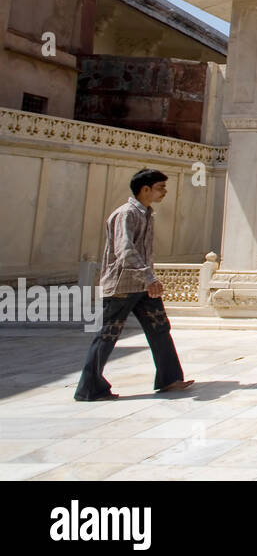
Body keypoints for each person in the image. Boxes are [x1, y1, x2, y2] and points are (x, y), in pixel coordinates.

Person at [74, 169, 194, 401]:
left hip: (142, 286)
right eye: (160, 187)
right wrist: (148, 277)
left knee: (160, 328)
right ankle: (89, 388)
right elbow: (125, 250)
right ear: (145, 189)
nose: (164, 192)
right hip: (122, 286)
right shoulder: (126, 214)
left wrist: (147, 279)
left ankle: (169, 379)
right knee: (108, 335)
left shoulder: (147, 214)